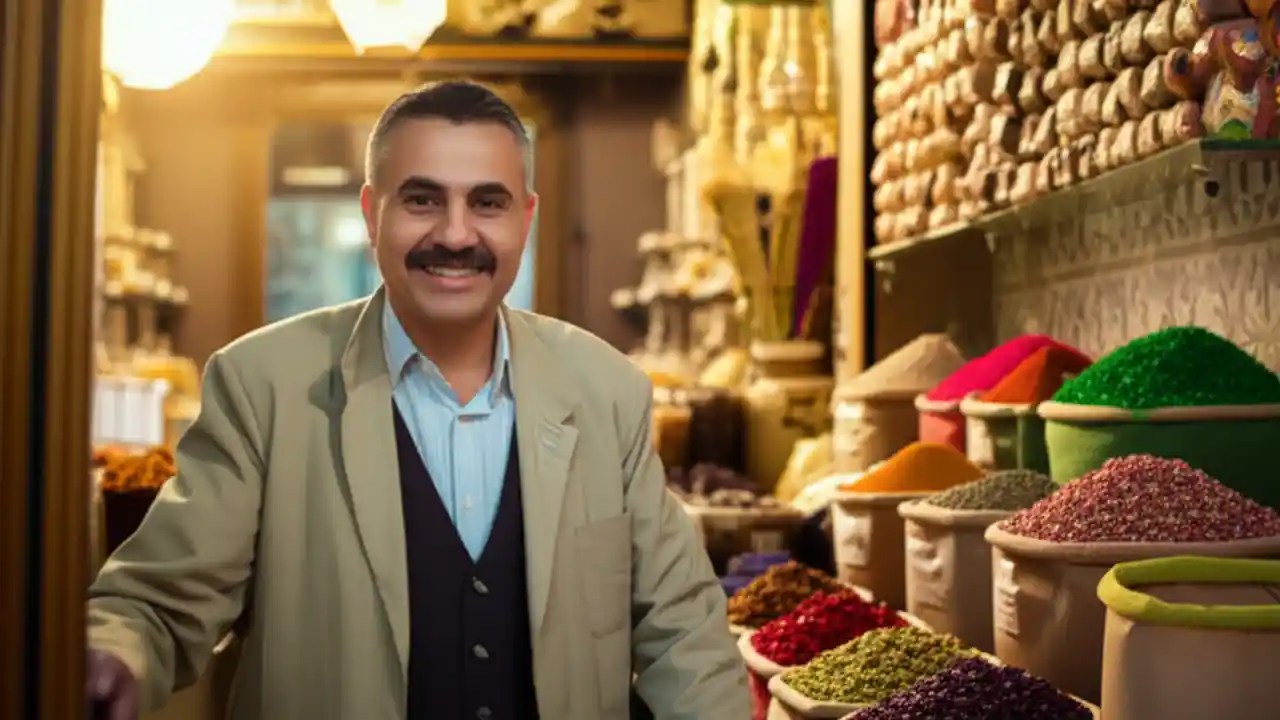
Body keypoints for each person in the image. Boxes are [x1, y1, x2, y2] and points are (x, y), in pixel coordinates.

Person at [86, 80, 749, 720]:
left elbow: (683, 630)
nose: (456, 236)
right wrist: (114, 655)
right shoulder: (263, 385)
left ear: (526, 217)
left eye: (487, 203)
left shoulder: (608, 391)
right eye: (423, 201)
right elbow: (162, 598)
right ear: (374, 215)